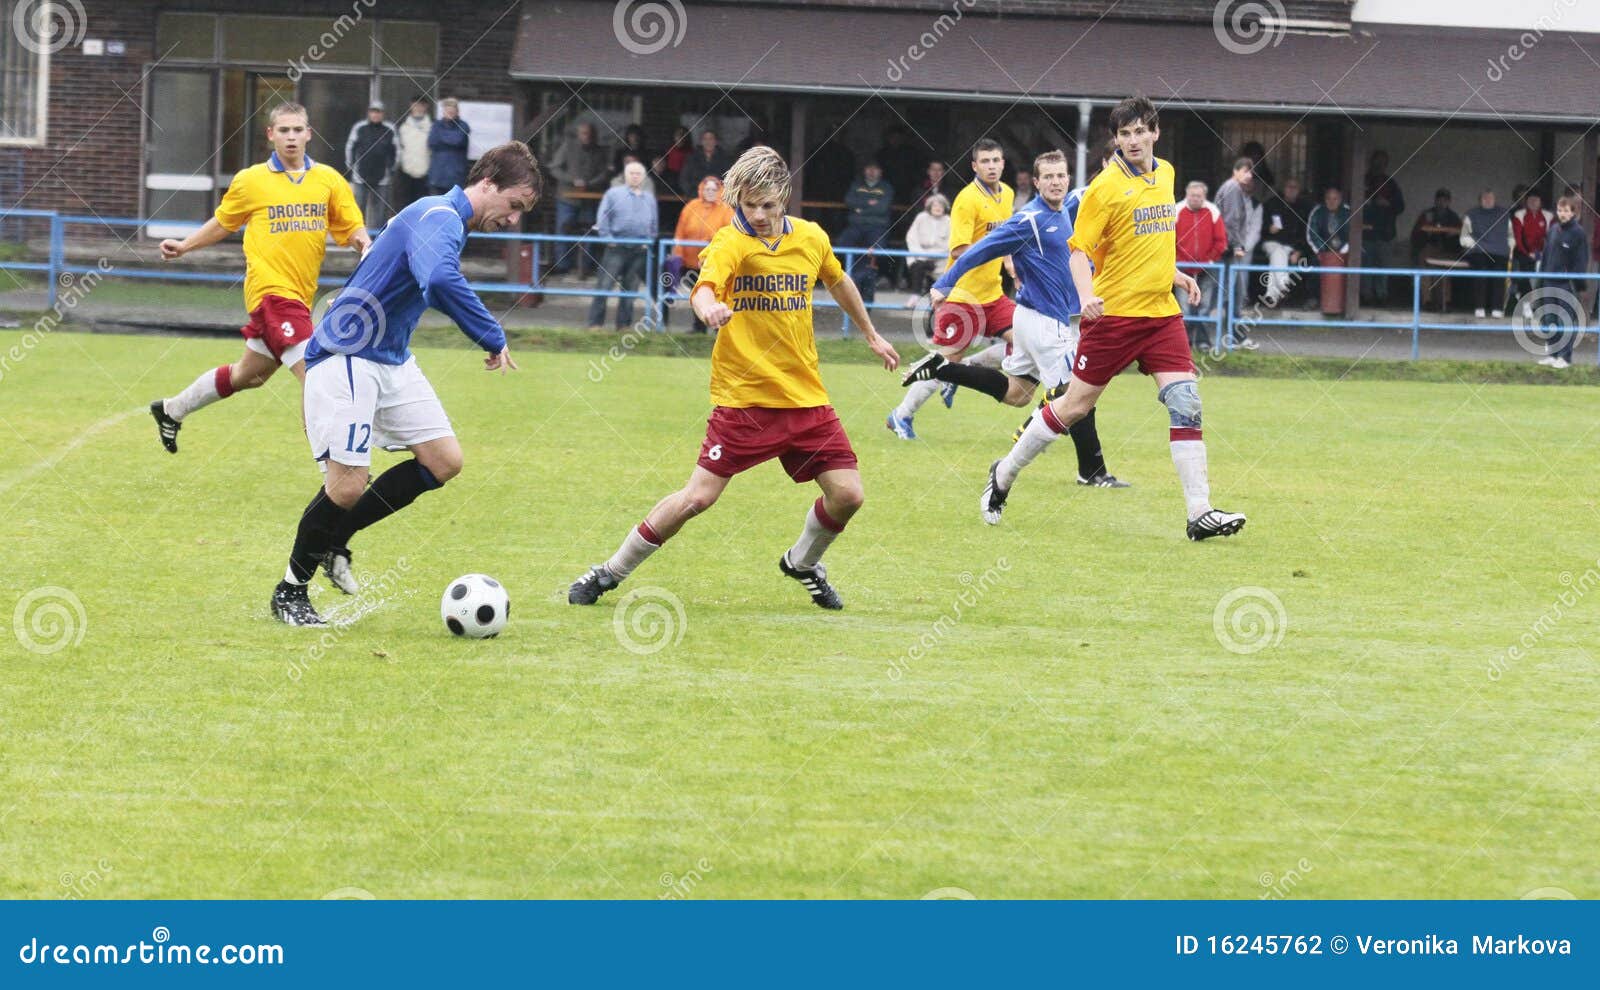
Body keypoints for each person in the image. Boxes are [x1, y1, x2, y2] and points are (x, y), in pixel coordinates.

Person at [567, 146, 900, 612]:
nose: (759, 215)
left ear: (784, 196)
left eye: (768, 205)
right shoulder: (730, 243)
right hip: (744, 402)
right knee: (697, 499)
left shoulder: (810, 237)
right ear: (736, 201)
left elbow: (838, 280)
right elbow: (703, 289)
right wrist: (709, 310)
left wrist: (870, 334)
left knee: (848, 494)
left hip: (805, 399)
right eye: (749, 205)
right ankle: (609, 572)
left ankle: (802, 562)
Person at [268, 142, 540, 627]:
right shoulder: (440, 216)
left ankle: (335, 538)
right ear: (487, 183)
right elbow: (437, 279)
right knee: (346, 485)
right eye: (514, 205)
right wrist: (491, 334)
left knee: (443, 461)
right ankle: (290, 591)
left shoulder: (440, 217)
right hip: (348, 356)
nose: (513, 219)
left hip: (389, 358)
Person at [976, 95, 1244, 541]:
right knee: (1074, 406)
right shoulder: (1103, 188)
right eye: (1125, 134)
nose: (1134, 140)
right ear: (1116, 140)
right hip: (1114, 317)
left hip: (1160, 315)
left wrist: (1174, 273)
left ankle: (1200, 513)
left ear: (1155, 132)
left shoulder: (1167, 175)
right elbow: (1079, 250)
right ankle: (1002, 474)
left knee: (1186, 404)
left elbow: (1147, 240)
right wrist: (1085, 295)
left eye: (1141, 131)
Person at [149, 102, 370, 456]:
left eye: (298, 129)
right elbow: (224, 221)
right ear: (271, 135)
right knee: (316, 374)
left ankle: (172, 409)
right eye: (283, 130)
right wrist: (186, 245)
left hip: (300, 297)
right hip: (270, 294)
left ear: (309, 134)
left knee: (248, 376)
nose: (291, 137)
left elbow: (351, 226)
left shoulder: (329, 180)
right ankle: (332, 465)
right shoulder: (251, 180)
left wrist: (364, 242)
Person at [903, 149, 1127, 489]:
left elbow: (1081, 239)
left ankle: (943, 369)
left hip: (1031, 317)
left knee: (1018, 393)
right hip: (1044, 323)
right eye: (1048, 177)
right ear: (1036, 183)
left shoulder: (1067, 210)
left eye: (1060, 176)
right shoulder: (1030, 219)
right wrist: (945, 282)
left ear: (1068, 178)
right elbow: (982, 248)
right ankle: (1090, 471)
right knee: (1074, 395)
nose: (1055, 182)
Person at [885, 139, 1011, 439]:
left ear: (1003, 163)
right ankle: (900, 415)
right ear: (975, 166)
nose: (992, 166)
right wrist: (994, 250)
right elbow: (959, 250)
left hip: (994, 295)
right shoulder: (967, 200)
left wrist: (1012, 263)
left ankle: (964, 369)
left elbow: (1006, 236)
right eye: (986, 161)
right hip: (962, 298)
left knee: (1025, 344)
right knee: (942, 363)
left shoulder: (1007, 194)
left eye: (996, 160)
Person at [586, 160, 657, 331]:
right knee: (604, 286)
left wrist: (649, 241)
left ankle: (623, 325)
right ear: (626, 176)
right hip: (616, 246)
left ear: (643, 177)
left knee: (630, 289)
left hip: (639, 248)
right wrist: (607, 238)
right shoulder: (613, 194)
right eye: (631, 173)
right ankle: (595, 324)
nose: (635, 176)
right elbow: (602, 218)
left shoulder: (649, 198)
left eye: (638, 173)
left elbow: (654, 223)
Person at [671, 175, 736, 332]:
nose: (710, 192)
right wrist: (677, 255)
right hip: (690, 262)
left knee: (716, 293)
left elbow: (730, 234)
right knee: (697, 294)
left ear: (720, 190)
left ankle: (718, 328)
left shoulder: (726, 209)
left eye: (714, 189)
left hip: (714, 263)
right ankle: (698, 327)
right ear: (701, 189)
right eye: (707, 189)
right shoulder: (691, 206)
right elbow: (680, 232)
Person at [547, 121, 608, 274]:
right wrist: (571, 180)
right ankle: (562, 265)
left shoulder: (599, 151)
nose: (587, 137)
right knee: (563, 230)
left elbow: (604, 173)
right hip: (567, 198)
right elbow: (554, 168)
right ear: (578, 134)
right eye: (584, 133)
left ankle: (586, 266)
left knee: (590, 232)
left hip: (589, 198)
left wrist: (590, 183)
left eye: (590, 134)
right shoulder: (568, 147)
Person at [1214, 157, 1261, 348]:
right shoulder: (1233, 188)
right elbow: (1231, 220)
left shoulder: (1231, 188)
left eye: (1250, 172)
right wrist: (1237, 245)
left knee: (1231, 293)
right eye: (1246, 171)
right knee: (1233, 293)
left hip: (1225, 248)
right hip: (1228, 251)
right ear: (1236, 171)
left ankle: (1234, 336)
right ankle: (1234, 337)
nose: (1249, 176)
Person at [1536, 195, 1588, 369]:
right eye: (1560, 210)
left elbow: (1581, 260)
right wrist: (1540, 278)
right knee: (1550, 319)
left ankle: (1565, 358)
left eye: (1566, 211)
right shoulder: (1553, 230)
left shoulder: (1578, 233)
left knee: (1565, 320)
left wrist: (1578, 283)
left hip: (1566, 284)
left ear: (1573, 212)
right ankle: (1553, 354)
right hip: (1548, 281)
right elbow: (1545, 256)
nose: (1562, 214)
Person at [1174, 180, 1227, 347]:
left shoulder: (1212, 211)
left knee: (1204, 305)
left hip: (1207, 268)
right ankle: (1185, 342)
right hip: (1182, 268)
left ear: (1204, 196)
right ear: (1186, 195)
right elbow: (1168, 239)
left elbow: (1221, 241)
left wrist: (1210, 259)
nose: (1195, 199)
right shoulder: (1176, 211)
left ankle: (1202, 340)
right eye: (1192, 195)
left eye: (1198, 196)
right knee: (1184, 306)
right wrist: (1175, 260)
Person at [838, 162, 894, 306]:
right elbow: (849, 201)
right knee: (842, 244)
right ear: (864, 170)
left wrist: (861, 208)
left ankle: (871, 278)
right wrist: (870, 205)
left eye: (875, 169)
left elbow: (882, 208)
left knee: (878, 249)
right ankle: (847, 278)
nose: (871, 171)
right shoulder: (856, 184)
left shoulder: (886, 187)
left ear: (880, 171)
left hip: (877, 227)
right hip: (856, 225)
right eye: (869, 168)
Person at [1360, 150, 1405, 306]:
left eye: (1383, 162)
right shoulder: (1361, 181)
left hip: (1386, 233)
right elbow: (1350, 204)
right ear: (1371, 162)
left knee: (1383, 266)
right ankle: (1366, 296)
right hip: (1365, 232)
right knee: (1366, 265)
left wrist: (1388, 204)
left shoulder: (1391, 183)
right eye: (1376, 162)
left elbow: (1400, 206)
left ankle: (1381, 296)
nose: (1379, 165)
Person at [1460, 188, 1513, 318]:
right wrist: (1475, 246)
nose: (1488, 200)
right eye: (1485, 198)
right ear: (1480, 200)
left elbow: (1510, 235)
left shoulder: (1504, 214)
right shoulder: (1471, 214)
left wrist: (1511, 248)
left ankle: (1497, 309)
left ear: (1495, 200)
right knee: (1480, 274)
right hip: (1478, 252)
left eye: (1491, 198)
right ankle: (1479, 307)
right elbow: (1464, 237)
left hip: (1500, 253)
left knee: (1499, 276)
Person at [344, 100, 396, 227]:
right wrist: (350, 166)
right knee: (358, 208)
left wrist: (392, 168)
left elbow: (396, 150)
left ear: (383, 114)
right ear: (369, 113)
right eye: (373, 111)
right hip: (360, 176)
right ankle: (357, 237)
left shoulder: (390, 129)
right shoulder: (359, 127)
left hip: (383, 178)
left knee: (381, 212)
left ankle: (378, 239)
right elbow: (350, 146)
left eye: (378, 112)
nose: (376, 115)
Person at [1410, 188, 1463, 311]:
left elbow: (1460, 233)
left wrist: (1452, 234)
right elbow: (1418, 233)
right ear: (1435, 200)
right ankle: (1427, 301)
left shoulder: (1453, 216)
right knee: (1426, 271)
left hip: (1446, 250)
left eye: (1445, 200)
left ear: (1449, 202)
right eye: (1439, 199)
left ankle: (1444, 301)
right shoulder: (1427, 214)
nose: (1441, 202)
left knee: (1444, 273)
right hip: (1429, 247)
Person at [1260, 176, 1309, 306]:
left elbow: (1305, 233)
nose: (1291, 190)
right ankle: (1283, 284)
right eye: (1289, 187)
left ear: (1299, 190)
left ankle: (1271, 296)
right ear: (1283, 189)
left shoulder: (1303, 208)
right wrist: (1269, 229)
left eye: (1295, 187)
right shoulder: (1272, 203)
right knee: (1277, 251)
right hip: (1270, 243)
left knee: (1277, 258)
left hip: (1290, 246)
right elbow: (1260, 227)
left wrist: (1298, 251)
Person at [1306, 186, 1353, 317]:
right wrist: (1322, 252)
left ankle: (1348, 301)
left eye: (1335, 198)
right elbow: (1311, 233)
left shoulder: (1348, 211)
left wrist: (1343, 250)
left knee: (1355, 263)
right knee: (1312, 264)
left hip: (1345, 251)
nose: (1332, 201)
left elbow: (1353, 234)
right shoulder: (1317, 211)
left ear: (1341, 199)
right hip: (1323, 252)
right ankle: (1313, 298)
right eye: (1328, 198)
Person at [1512, 190, 1555, 315]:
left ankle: (1543, 307)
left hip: (1544, 253)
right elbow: (1518, 239)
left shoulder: (1548, 216)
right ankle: (1526, 305)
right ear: (1526, 201)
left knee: (1545, 278)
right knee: (1525, 276)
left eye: (1536, 200)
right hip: (1524, 253)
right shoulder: (1519, 215)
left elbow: (1551, 237)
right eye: (1530, 200)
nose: (1533, 203)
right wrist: (1528, 253)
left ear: (1541, 202)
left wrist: (1543, 253)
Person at [903, 193, 950, 297]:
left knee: (937, 284)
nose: (938, 208)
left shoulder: (949, 221)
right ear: (930, 207)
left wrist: (932, 255)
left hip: (940, 260)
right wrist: (922, 254)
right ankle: (915, 295)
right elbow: (911, 237)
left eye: (941, 206)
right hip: (920, 256)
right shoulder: (921, 217)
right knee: (918, 265)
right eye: (935, 205)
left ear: (944, 207)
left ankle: (930, 301)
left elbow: (949, 244)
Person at [392, 96, 433, 210]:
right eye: (416, 105)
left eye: (421, 105)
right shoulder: (402, 125)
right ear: (411, 106)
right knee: (404, 206)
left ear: (426, 107)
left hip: (426, 174)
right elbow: (397, 147)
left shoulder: (433, 126)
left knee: (422, 207)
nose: (418, 108)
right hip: (405, 172)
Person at [425, 98, 470, 196]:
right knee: (435, 207)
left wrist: (441, 137)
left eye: (452, 110)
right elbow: (431, 142)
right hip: (437, 176)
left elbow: (457, 140)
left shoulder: (463, 125)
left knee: (454, 208)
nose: (449, 113)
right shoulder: (436, 125)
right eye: (447, 110)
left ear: (457, 111)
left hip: (456, 177)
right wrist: (448, 138)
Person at [678, 129, 733, 197]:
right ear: (701, 142)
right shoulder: (692, 158)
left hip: (718, 198)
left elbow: (730, 179)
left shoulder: (724, 158)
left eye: (711, 139)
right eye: (705, 139)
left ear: (716, 141)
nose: (708, 142)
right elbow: (684, 179)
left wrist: (720, 194)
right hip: (696, 197)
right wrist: (693, 194)